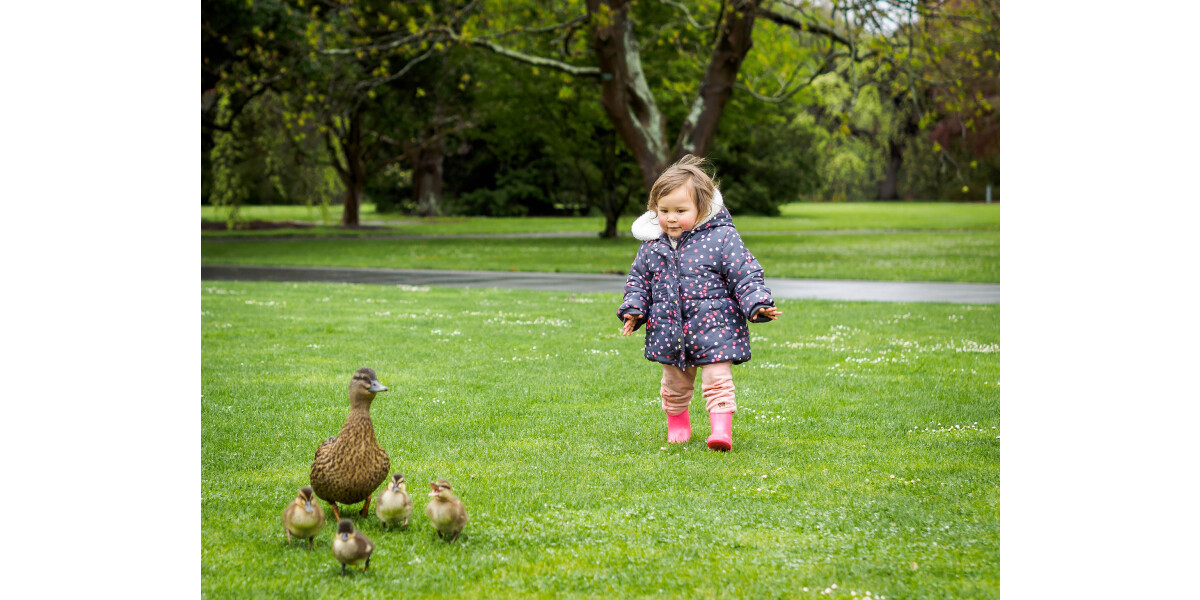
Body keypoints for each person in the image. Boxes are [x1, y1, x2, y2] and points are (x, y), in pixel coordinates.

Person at [618, 155, 780, 451]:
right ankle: (678, 427)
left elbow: (745, 274)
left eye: (680, 210)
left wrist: (757, 303)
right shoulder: (652, 245)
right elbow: (638, 282)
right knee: (674, 386)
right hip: (669, 329)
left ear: (702, 208)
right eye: (663, 210)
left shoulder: (721, 238)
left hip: (715, 326)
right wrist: (634, 310)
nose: (671, 218)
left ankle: (721, 431)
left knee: (718, 381)